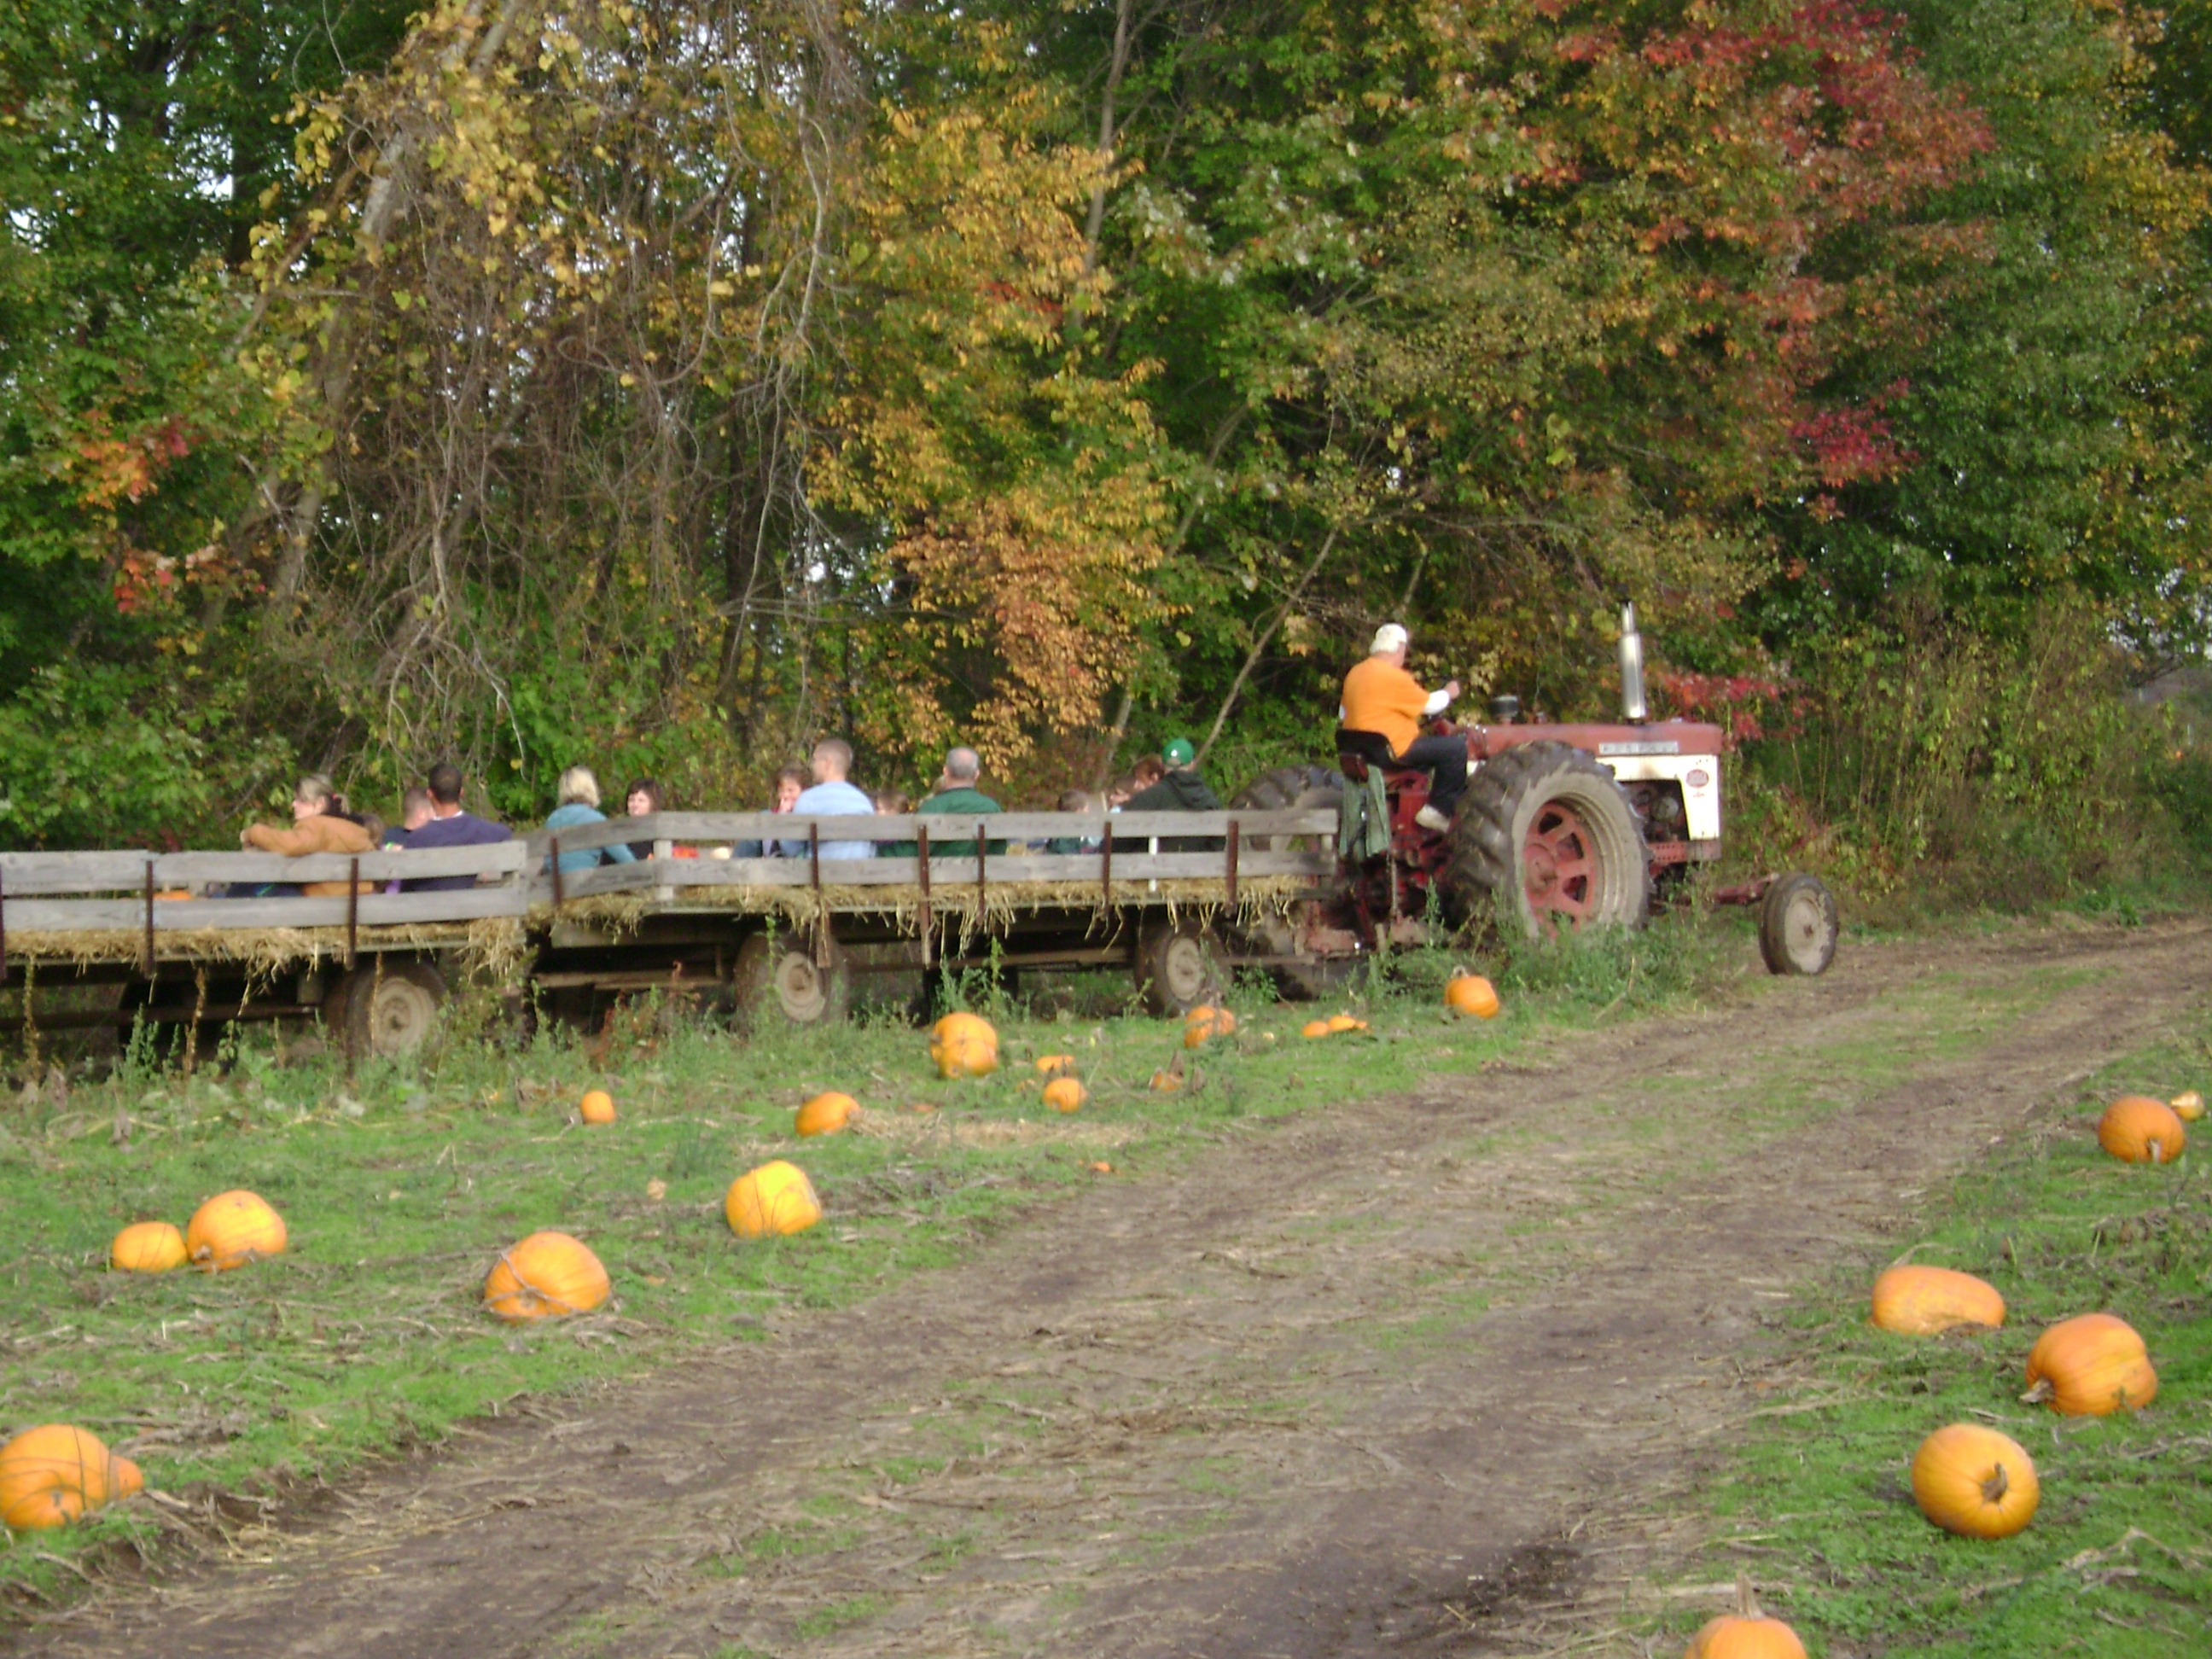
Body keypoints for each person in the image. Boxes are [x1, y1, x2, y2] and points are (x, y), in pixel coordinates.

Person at [1338, 622, 1465, 831]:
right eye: (1404, 652)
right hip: (1389, 753)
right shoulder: (1392, 677)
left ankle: (1409, 807)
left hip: (1359, 752)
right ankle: (1438, 811)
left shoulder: (1355, 673)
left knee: (1427, 758)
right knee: (1455, 749)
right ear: (1399, 649)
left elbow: (1344, 713)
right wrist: (1449, 692)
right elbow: (1431, 705)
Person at [236, 774, 376, 897]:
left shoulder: (317, 825)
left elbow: (292, 844)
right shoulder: (354, 829)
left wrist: (253, 832)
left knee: (243, 889)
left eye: (301, 800)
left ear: (320, 804)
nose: (294, 804)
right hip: (354, 905)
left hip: (321, 907)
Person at [400, 762, 511, 892]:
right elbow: (505, 834)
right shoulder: (484, 831)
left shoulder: (417, 839)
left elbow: (406, 886)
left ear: (430, 794)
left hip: (428, 909)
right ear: (461, 793)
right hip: (470, 908)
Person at [1114, 738, 1222, 853]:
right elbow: (1218, 844)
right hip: (1201, 868)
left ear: (1164, 767)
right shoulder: (1211, 802)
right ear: (1192, 765)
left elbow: (1118, 840)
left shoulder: (1149, 797)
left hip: (1150, 868)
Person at [777, 740, 876, 859]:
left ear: (826, 764)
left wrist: (782, 818)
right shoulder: (864, 802)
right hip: (858, 875)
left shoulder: (809, 799)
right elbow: (871, 851)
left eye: (814, 760)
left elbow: (790, 850)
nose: (812, 765)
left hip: (818, 876)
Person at [543, 766, 637, 875]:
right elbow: (627, 861)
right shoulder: (596, 820)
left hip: (553, 889)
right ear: (590, 788)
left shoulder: (551, 820)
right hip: (584, 887)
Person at [916, 746, 1004, 858]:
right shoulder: (992, 807)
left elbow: (914, 851)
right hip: (979, 874)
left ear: (945, 771)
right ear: (976, 774)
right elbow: (998, 850)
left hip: (938, 874)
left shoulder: (932, 807)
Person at [732, 765, 807, 859]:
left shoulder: (806, 817)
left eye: (790, 790)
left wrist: (782, 818)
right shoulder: (767, 816)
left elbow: (790, 851)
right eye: (781, 791)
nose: (785, 795)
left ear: (803, 792)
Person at [1046, 788, 1097, 856]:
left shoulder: (1078, 833)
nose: (1088, 812)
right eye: (1087, 809)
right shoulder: (1062, 838)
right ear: (1078, 811)